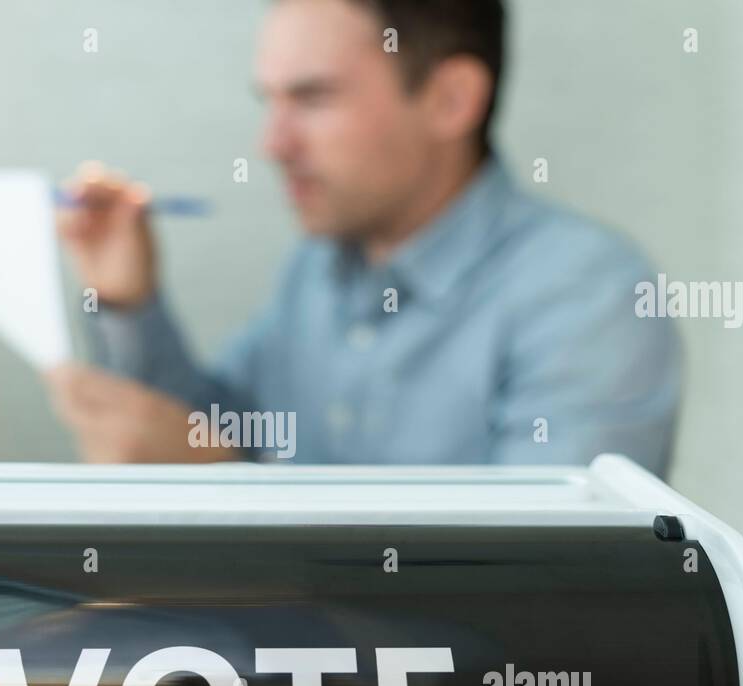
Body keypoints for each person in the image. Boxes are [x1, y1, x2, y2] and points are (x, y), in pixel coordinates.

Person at [47, 0, 681, 475]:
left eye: (313, 98)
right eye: (268, 102)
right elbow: (219, 432)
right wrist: (129, 302)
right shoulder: (315, 269)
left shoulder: (588, 296)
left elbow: (552, 590)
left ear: (452, 100)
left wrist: (226, 484)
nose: (272, 145)